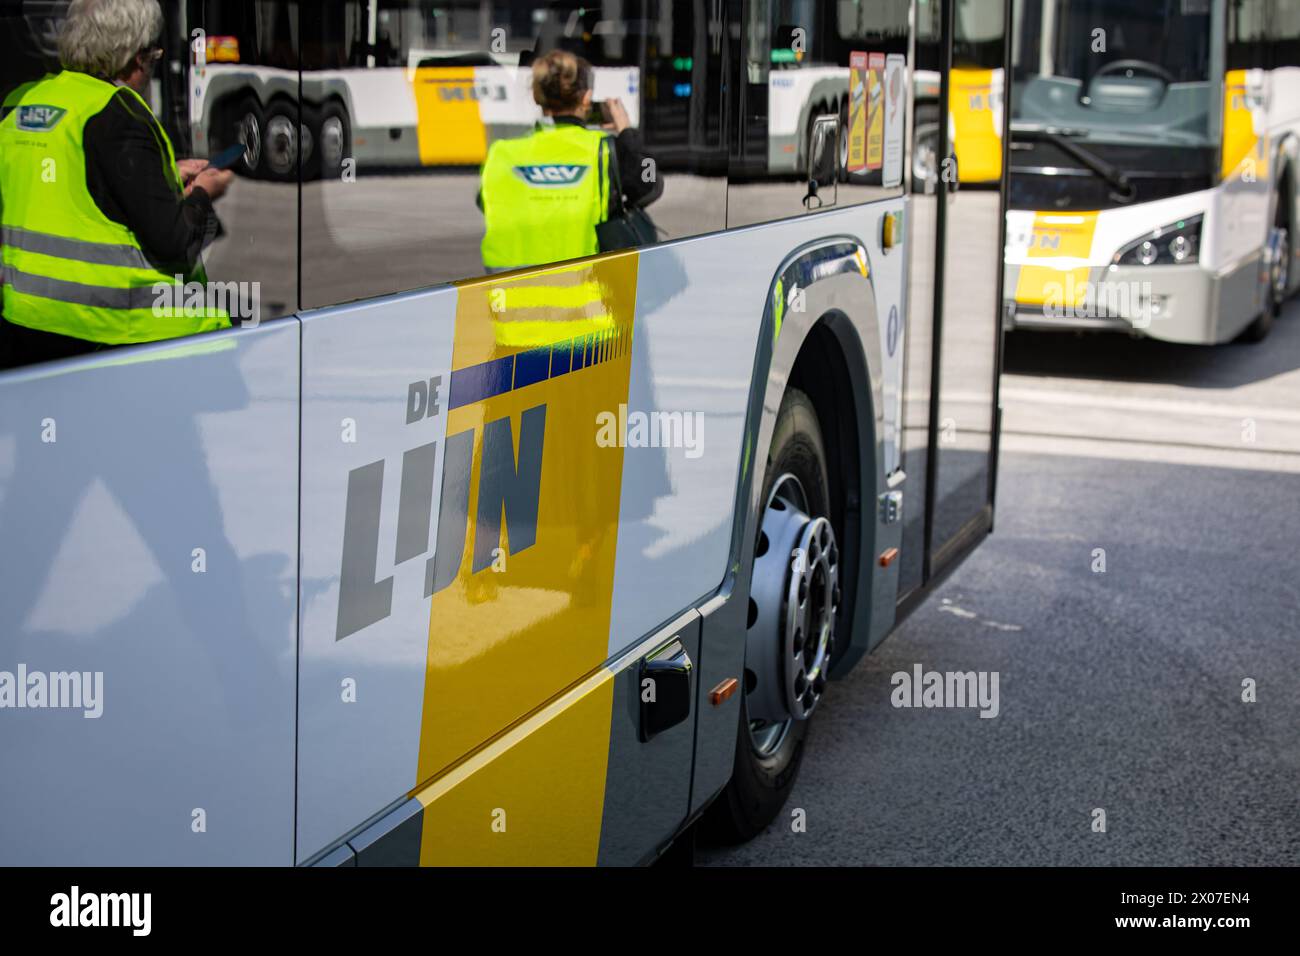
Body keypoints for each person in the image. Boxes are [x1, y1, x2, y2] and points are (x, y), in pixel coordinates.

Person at [0, 0, 233, 370]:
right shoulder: (117, 113)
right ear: (132, 56)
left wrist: (164, 174)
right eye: (152, 54)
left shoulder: (19, 105)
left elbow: (66, 185)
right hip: (118, 330)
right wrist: (206, 189)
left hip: (28, 322)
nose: (150, 64)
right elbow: (174, 242)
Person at [478, 49, 662, 273]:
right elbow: (649, 185)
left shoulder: (502, 153)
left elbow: (486, 203)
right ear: (586, 98)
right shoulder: (602, 150)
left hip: (507, 296)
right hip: (581, 297)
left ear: (537, 97)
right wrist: (625, 131)